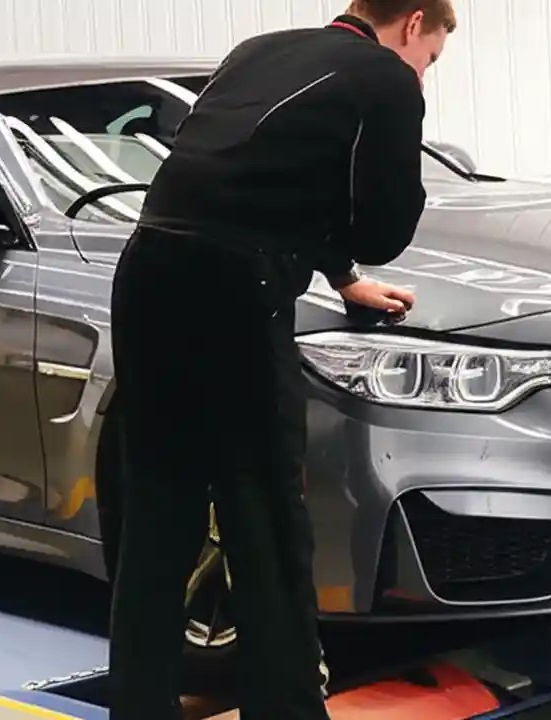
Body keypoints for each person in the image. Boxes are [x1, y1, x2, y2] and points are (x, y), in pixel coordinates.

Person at [104, 1, 455, 718]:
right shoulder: (386, 79)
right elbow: (385, 223)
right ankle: (287, 708)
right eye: (432, 59)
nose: (425, 73)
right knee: (262, 511)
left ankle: (138, 707)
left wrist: (341, 273)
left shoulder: (257, 49)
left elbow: (257, 173)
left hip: (147, 272)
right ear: (414, 23)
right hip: (233, 289)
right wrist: (404, 110)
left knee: (157, 508)